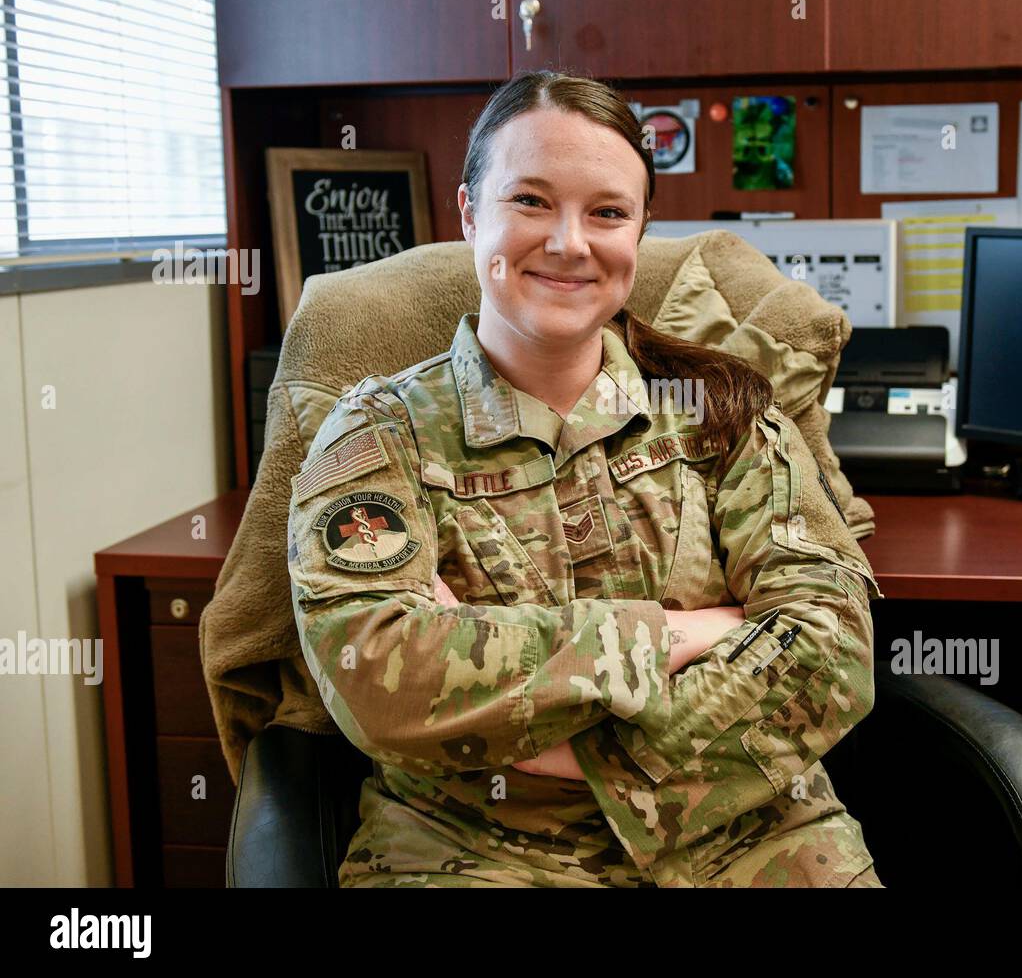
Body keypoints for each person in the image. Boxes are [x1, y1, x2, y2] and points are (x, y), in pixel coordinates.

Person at [287, 69, 885, 887]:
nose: (570, 241)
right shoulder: (377, 434)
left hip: (752, 841)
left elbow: (831, 651)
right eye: (530, 201)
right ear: (470, 213)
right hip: (474, 848)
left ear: (638, 231)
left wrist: (570, 752)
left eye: (606, 211)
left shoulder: (722, 410)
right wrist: (680, 633)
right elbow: (380, 679)